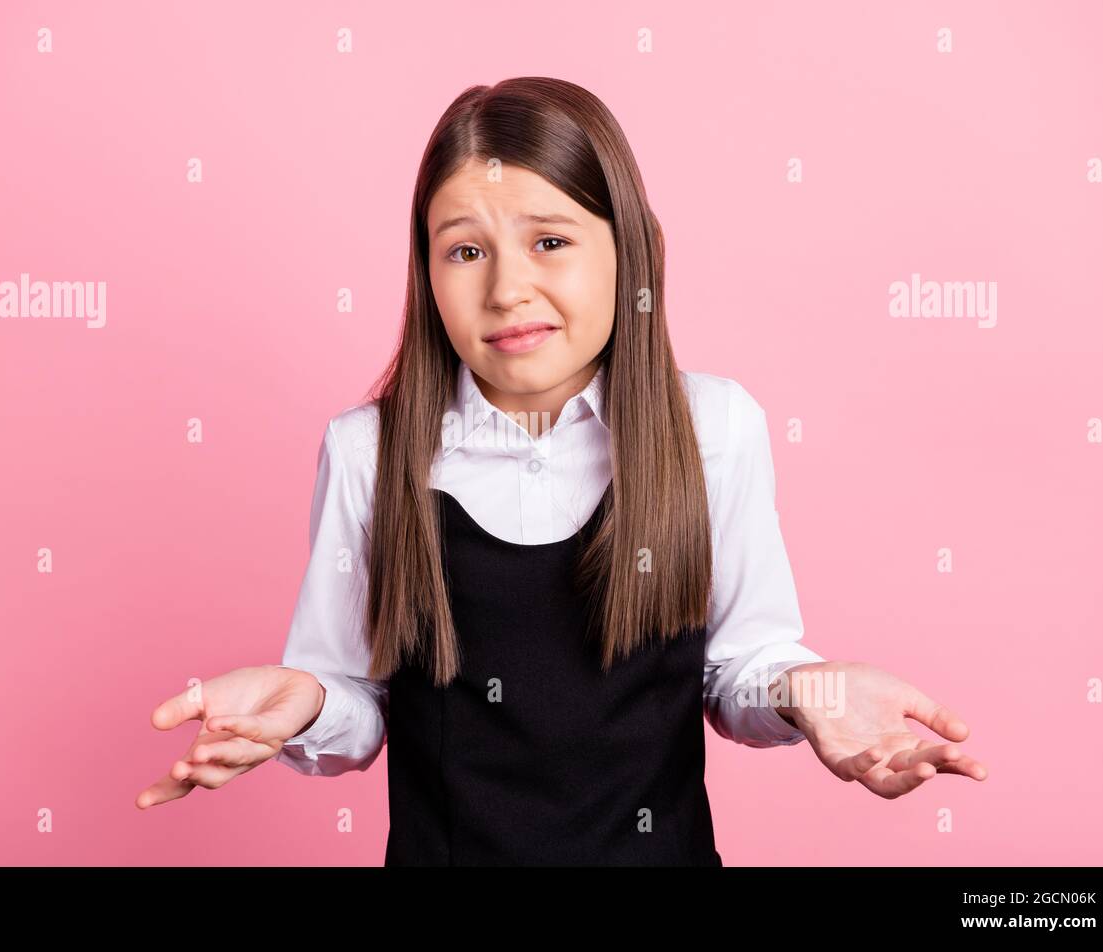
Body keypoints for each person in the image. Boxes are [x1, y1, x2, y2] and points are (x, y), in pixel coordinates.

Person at [135, 76, 988, 865]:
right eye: (464, 252)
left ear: (632, 252)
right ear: (425, 272)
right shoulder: (371, 450)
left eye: (550, 240)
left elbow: (736, 671)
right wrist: (309, 702)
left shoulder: (713, 429)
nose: (508, 289)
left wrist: (809, 687)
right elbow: (355, 704)